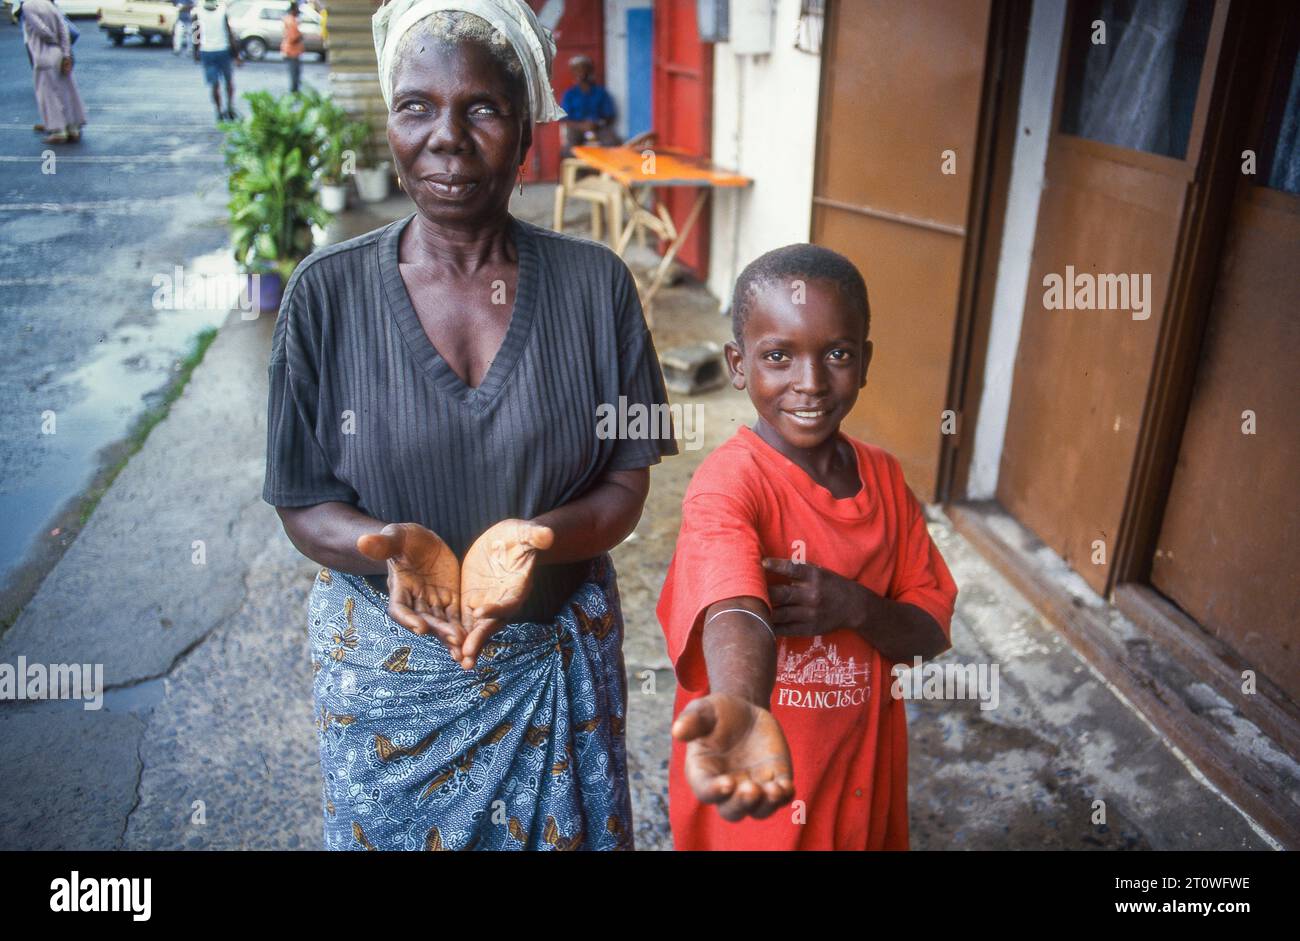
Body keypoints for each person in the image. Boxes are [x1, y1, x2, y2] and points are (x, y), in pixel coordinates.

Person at [263, 0, 676, 851]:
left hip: (553, 678)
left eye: (482, 108)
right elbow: (301, 500)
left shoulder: (597, 289)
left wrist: (538, 538)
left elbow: (626, 483)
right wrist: (384, 543)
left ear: (527, 133)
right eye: (417, 106)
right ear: (391, 124)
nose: (447, 136)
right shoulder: (326, 295)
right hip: (393, 696)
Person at [656, 244, 959, 850]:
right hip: (760, 787)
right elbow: (733, 605)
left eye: (838, 354)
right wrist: (743, 706)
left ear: (866, 360)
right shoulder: (729, 482)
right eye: (778, 356)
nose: (811, 382)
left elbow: (929, 632)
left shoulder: (886, 480)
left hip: (858, 780)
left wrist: (858, 608)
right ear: (738, 365)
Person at [21, 0, 87, 145]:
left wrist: (53, 39)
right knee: (66, 92)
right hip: (60, 54)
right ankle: (73, 128)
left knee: (48, 95)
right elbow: (64, 29)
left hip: (44, 53)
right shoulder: (50, 5)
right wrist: (66, 53)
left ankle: (58, 130)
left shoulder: (27, 6)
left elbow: (41, 29)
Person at [559, 53, 618, 157]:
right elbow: (564, 119)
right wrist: (581, 126)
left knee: (612, 143)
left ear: (590, 70)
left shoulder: (601, 92)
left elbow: (610, 116)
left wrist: (597, 124)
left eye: (584, 68)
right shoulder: (570, 94)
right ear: (573, 72)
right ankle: (577, 171)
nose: (581, 72)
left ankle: (606, 172)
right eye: (577, 69)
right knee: (569, 150)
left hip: (598, 127)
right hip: (576, 128)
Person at [193, 0, 241, 121]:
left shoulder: (198, 12)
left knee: (215, 85)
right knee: (228, 82)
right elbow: (229, 34)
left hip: (207, 51)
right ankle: (230, 107)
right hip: (223, 50)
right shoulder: (222, 11)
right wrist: (236, 55)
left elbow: (196, 36)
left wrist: (196, 52)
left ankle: (219, 111)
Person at [281, 2, 305, 93]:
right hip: (292, 51)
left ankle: (294, 91)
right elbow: (293, 37)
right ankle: (294, 92)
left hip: (291, 50)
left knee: (294, 73)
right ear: (293, 10)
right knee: (294, 74)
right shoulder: (291, 21)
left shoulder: (289, 19)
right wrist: (300, 36)